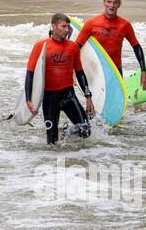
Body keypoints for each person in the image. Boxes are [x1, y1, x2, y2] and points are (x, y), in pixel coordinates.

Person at [25, 13, 95, 145]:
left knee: (85, 130)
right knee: (51, 142)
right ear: (54, 26)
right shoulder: (41, 46)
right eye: (63, 26)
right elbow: (30, 73)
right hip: (49, 98)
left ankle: (66, 131)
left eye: (68, 27)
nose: (67, 30)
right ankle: (58, 134)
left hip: (68, 95)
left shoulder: (73, 47)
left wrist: (88, 96)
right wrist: (29, 99)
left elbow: (80, 72)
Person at [75, 0, 146, 92]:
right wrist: (73, 70)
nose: (112, 5)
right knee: (94, 103)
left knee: (115, 103)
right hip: (96, 70)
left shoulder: (125, 25)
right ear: (104, 2)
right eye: (109, 2)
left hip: (115, 70)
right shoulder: (91, 24)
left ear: (119, 5)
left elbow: (136, 47)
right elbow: (76, 47)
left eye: (115, 3)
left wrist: (143, 71)